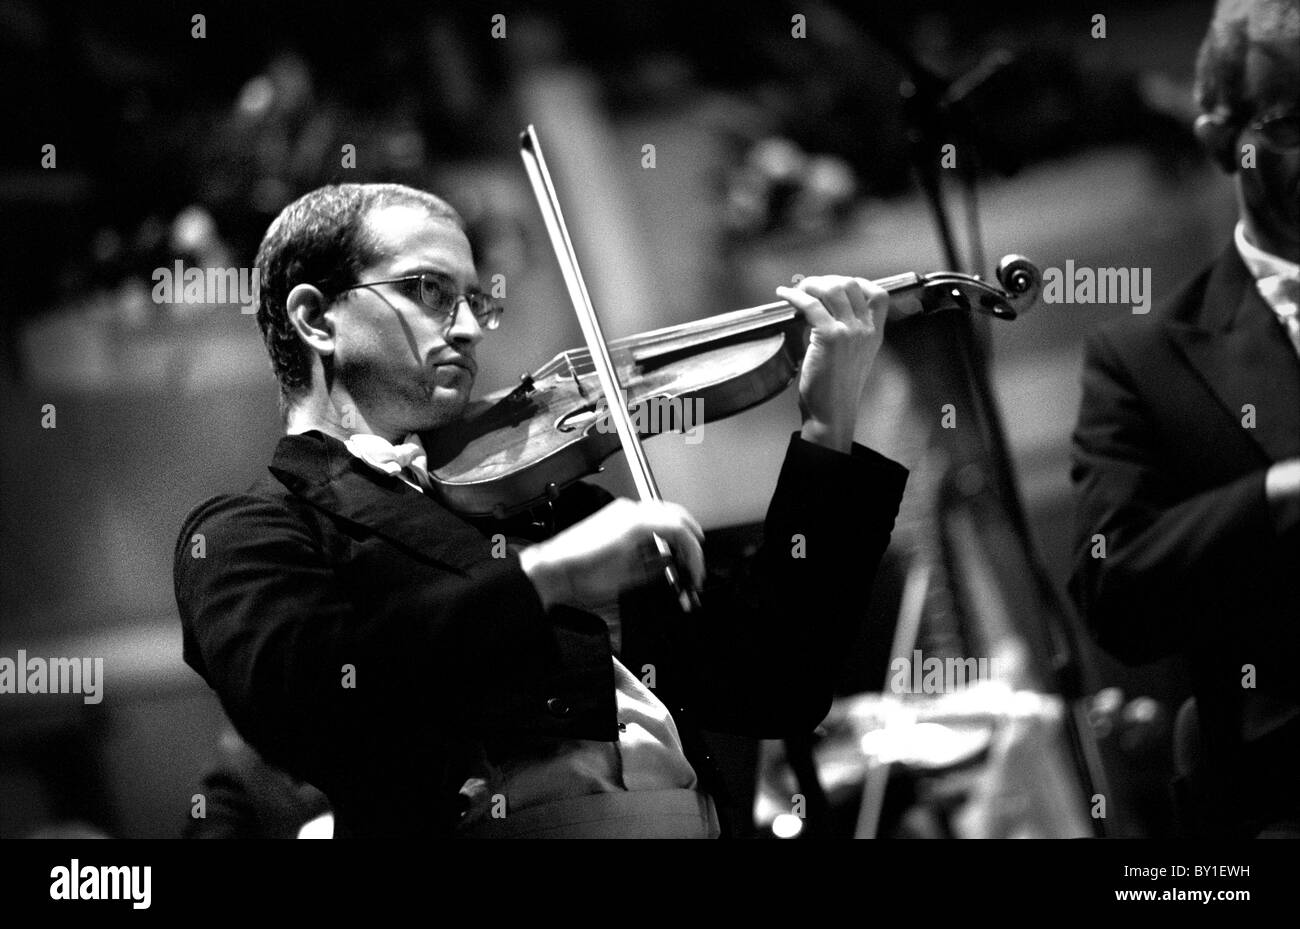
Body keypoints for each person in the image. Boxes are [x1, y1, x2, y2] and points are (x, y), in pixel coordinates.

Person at [174, 181, 908, 838]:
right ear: (315, 318)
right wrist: (546, 579)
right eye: (429, 290)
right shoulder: (254, 528)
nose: (465, 326)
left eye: (475, 300)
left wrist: (827, 431)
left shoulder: (543, 499)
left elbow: (774, 682)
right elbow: (300, 694)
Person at [1070, 0, 1300, 837]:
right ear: (1217, 138)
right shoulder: (1143, 359)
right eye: (1292, 121)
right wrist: (1278, 492)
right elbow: (1115, 587)